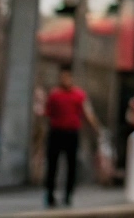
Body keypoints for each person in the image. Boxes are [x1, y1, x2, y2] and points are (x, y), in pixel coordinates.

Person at [43, 65, 101, 208]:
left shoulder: (79, 95)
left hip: (71, 133)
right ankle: (50, 194)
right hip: (56, 132)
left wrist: (96, 128)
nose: (66, 80)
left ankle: (68, 195)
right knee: (52, 165)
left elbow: (87, 113)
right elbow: (47, 114)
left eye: (68, 77)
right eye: (63, 77)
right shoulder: (54, 94)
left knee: (71, 165)